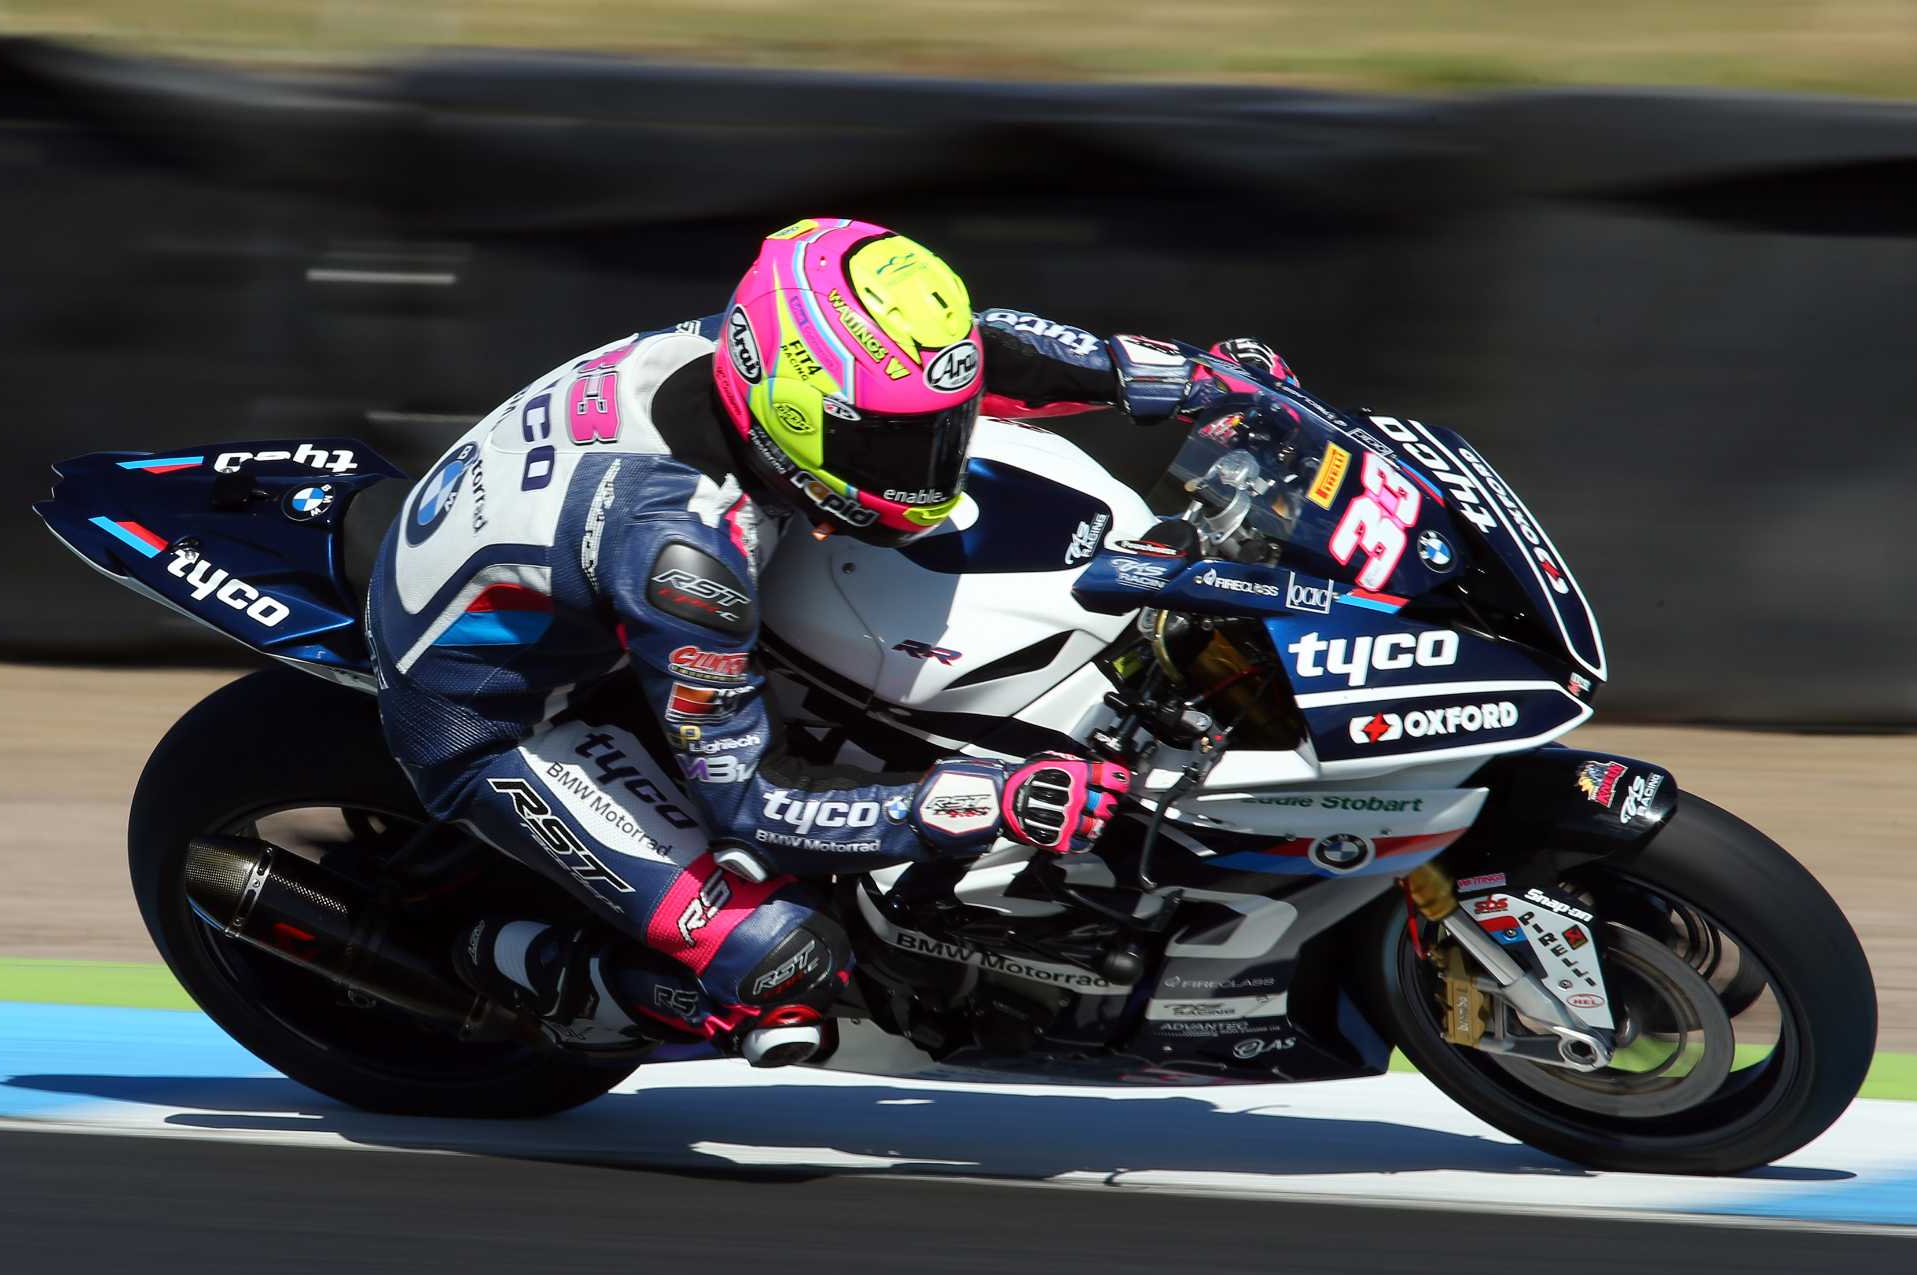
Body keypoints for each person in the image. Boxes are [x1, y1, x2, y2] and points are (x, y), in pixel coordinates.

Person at [366, 217, 1294, 1067]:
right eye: (898, 447)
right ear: (798, 417)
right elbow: (752, 804)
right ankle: (541, 973)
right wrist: (983, 801)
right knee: (785, 961)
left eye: (939, 429)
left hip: (589, 585)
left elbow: (1000, 350)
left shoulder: (803, 353)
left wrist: (1216, 386)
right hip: (502, 716)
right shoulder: (685, 557)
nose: (931, 462)